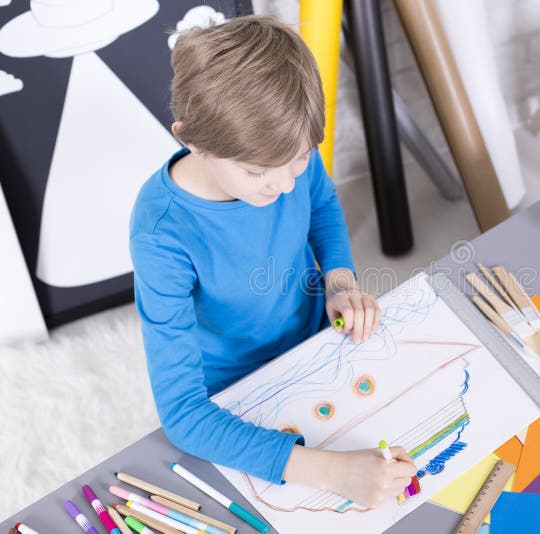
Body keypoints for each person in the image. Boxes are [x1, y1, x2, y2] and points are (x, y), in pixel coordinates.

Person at [129, 14, 415, 508]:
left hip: (319, 341)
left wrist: (340, 281)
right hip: (236, 390)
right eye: (257, 172)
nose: (285, 185)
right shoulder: (161, 233)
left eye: (301, 160)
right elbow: (182, 413)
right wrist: (332, 474)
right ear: (190, 140)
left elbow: (321, 207)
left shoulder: (285, 144)